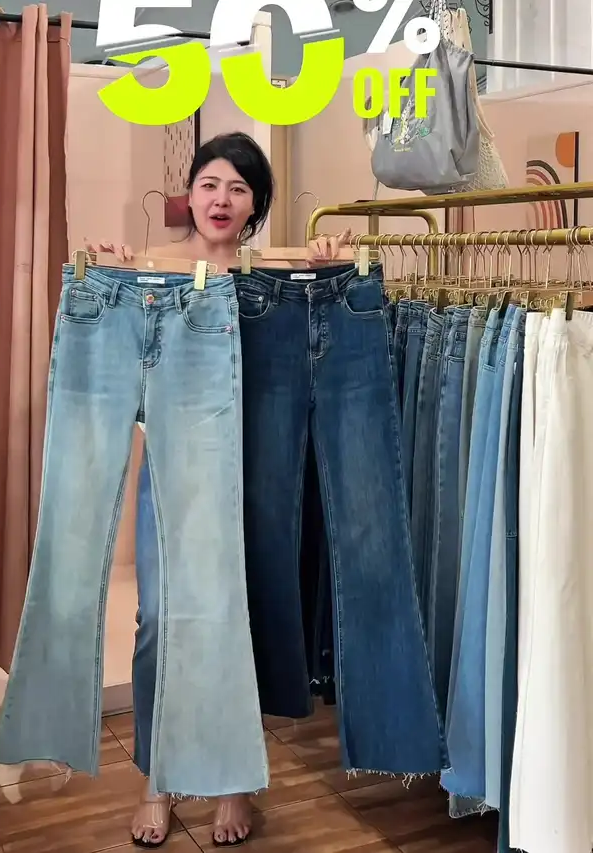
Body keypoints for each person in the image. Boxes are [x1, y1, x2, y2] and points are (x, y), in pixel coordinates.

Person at [87, 131, 350, 849]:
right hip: (173, 466)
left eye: (239, 187)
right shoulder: (156, 268)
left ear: (255, 204)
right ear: (190, 193)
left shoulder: (275, 279)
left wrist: (327, 263)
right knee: (159, 619)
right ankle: (159, 777)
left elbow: (318, 337)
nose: (222, 198)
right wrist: (112, 273)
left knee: (245, 613)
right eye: (210, 183)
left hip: (256, 466)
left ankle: (235, 778)